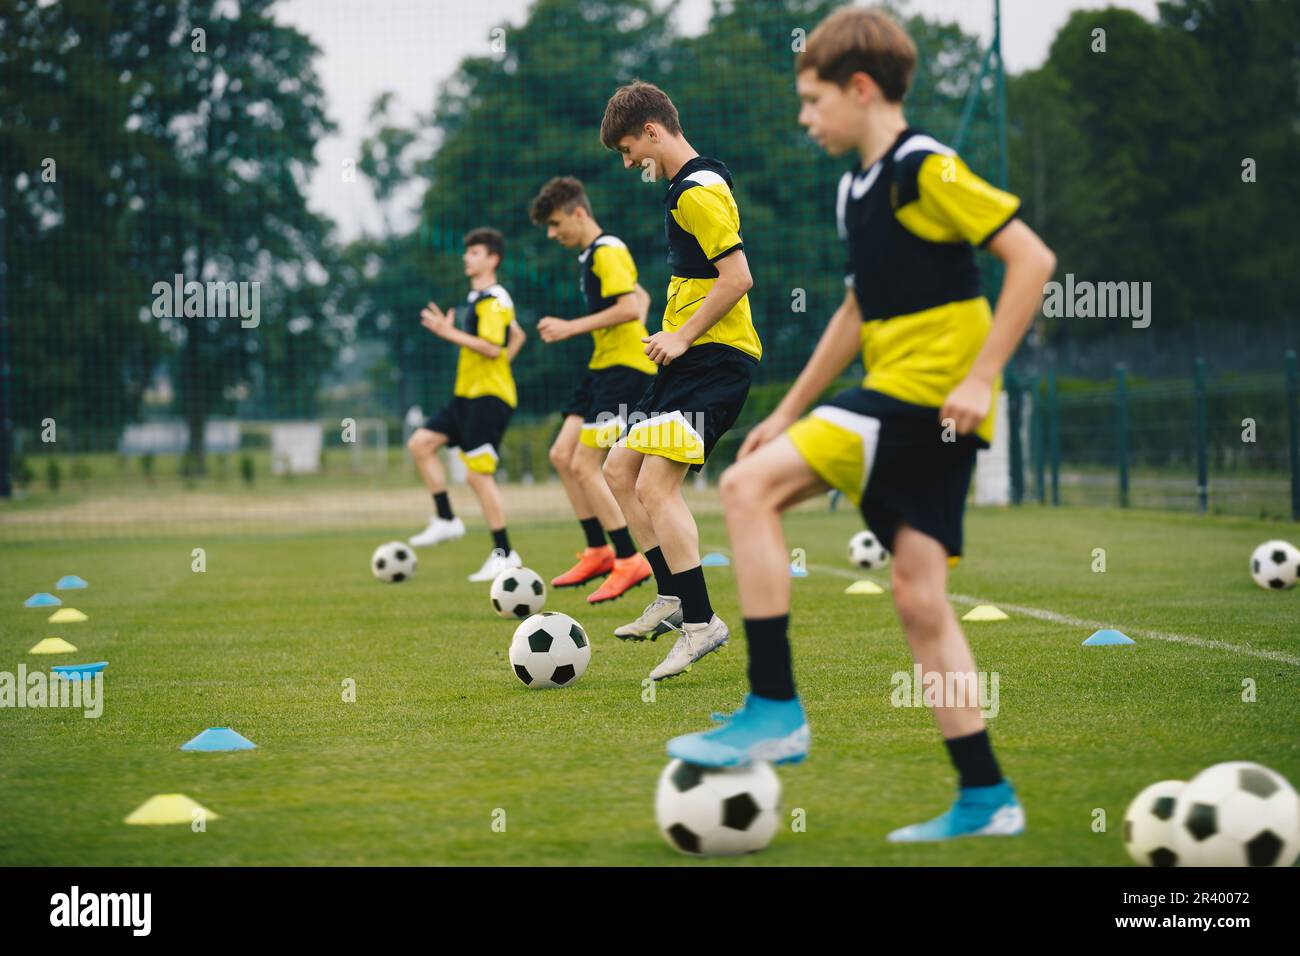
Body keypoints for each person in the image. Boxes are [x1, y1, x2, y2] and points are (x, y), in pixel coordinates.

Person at [666, 7, 1057, 843]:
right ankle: (987, 798)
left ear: (861, 88)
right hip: (906, 403)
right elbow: (856, 304)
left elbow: (1032, 259)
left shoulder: (926, 166)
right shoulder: (856, 187)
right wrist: (789, 409)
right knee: (921, 601)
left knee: (743, 487)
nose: (805, 120)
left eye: (812, 102)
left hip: (925, 401)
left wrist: (984, 376)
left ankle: (772, 704)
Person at [598, 80, 762, 681]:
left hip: (715, 361)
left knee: (657, 488)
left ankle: (700, 625)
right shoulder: (690, 182)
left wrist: (681, 335)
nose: (628, 162)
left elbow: (738, 276)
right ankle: (672, 598)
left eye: (627, 149)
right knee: (617, 469)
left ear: (651, 131)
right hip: (689, 364)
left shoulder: (696, 191)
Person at [528, 176, 658, 604]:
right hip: (602, 368)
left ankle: (629, 558)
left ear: (578, 213)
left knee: (587, 463)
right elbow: (641, 297)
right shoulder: (592, 256)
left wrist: (571, 327)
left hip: (623, 371)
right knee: (562, 456)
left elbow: (626, 307)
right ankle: (599, 550)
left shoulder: (609, 250)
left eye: (554, 224)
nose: (552, 234)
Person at [407, 227, 529, 583]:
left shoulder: (493, 298)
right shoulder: (482, 298)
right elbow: (517, 335)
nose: (467, 257)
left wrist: (448, 333)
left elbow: (492, 347)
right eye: (467, 252)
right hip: (467, 395)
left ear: (493, 259)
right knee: (421, 443)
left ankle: (505, 553)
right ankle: (446, 519)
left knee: (478, 474)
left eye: (474, 252)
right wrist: (502, 361)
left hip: (489, 398)